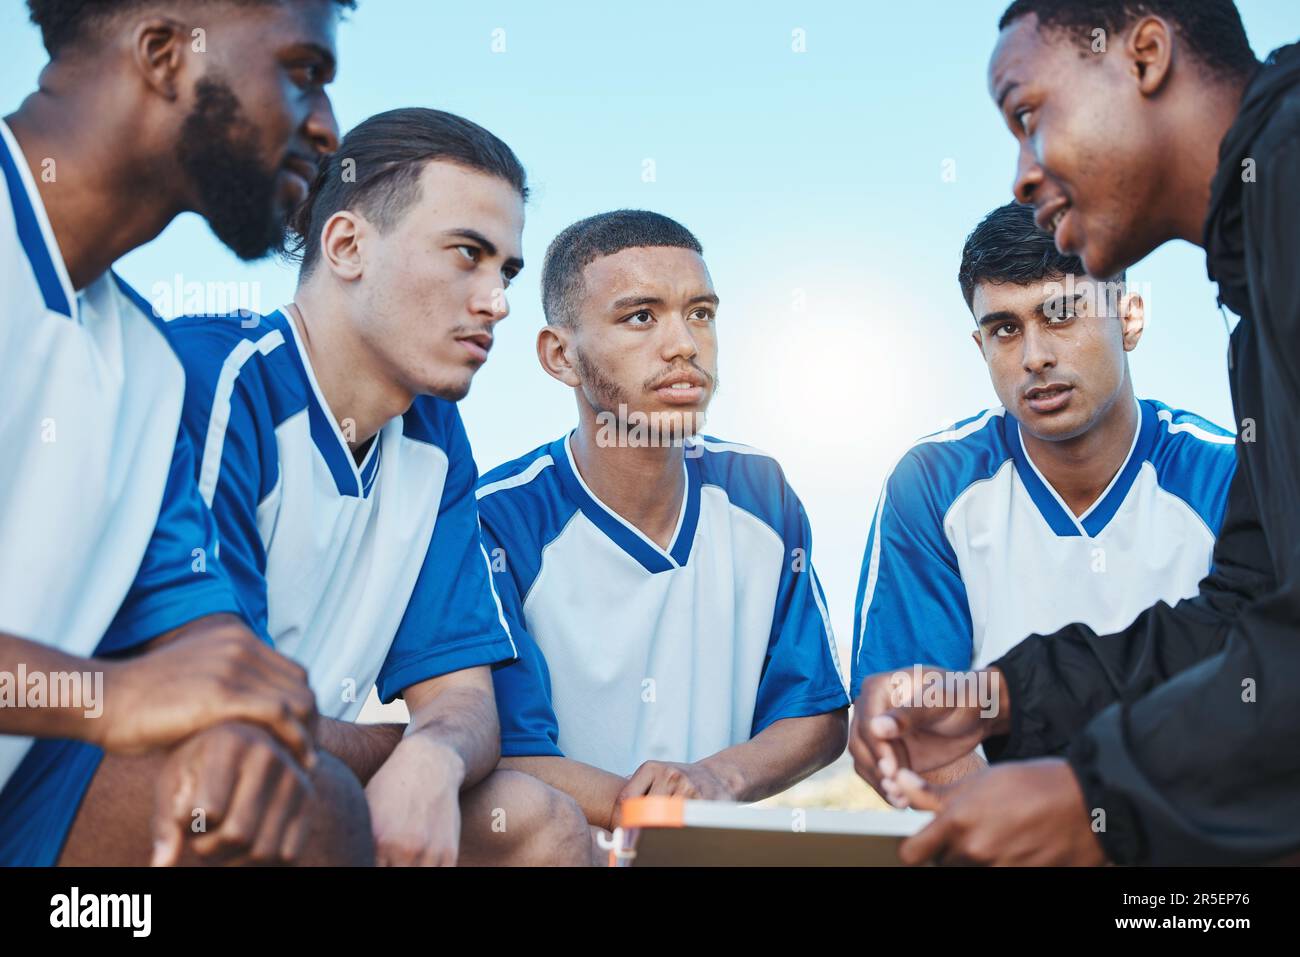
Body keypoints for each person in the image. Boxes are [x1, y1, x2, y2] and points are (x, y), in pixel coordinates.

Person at [851, 0, 1300, 865]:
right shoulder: (1255, 309)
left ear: (1144, 54)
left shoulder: (1289, 174)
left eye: (1029, 118)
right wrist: (1003, 694)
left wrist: (1103, 796)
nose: (1022, 172)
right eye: (1005, 330)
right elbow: (1243, 627)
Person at [0, 0, 371, 867]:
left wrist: (233, 721)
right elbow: (128, 691)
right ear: (166, 55)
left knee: (301, 807)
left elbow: (197, 632)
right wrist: (109, 699)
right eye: (303, 74)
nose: (326, 128)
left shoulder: (147, 363)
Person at [167, 108, 590, 866]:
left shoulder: (433, 438)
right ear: (348, 245)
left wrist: (432, 759)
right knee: (293, 793)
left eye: (507, 272)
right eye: (467, 254)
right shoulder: (216, 381)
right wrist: (400, 744)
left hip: (297, 770)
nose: (496, 302)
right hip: (127, 790)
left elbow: (464, 701)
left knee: (537, 818)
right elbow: (218, 716)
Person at [479, 210, 849, 834]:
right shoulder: (496, 519)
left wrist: (715, 780)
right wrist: (650, 810)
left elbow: (815, 715)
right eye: (641, 316)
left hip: (707, 850)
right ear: (560, 355)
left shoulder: (761, 493)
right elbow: (506, 750)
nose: (683, 344)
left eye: (700, 314)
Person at [852, 201, 1234, 784]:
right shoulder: (931, 484)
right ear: (980, 346)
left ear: (1129, 319)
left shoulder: (1231, 475)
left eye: (1060, 315)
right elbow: (908, 728)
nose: (1035, 357)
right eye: (1005, 329)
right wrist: (1014, 828)